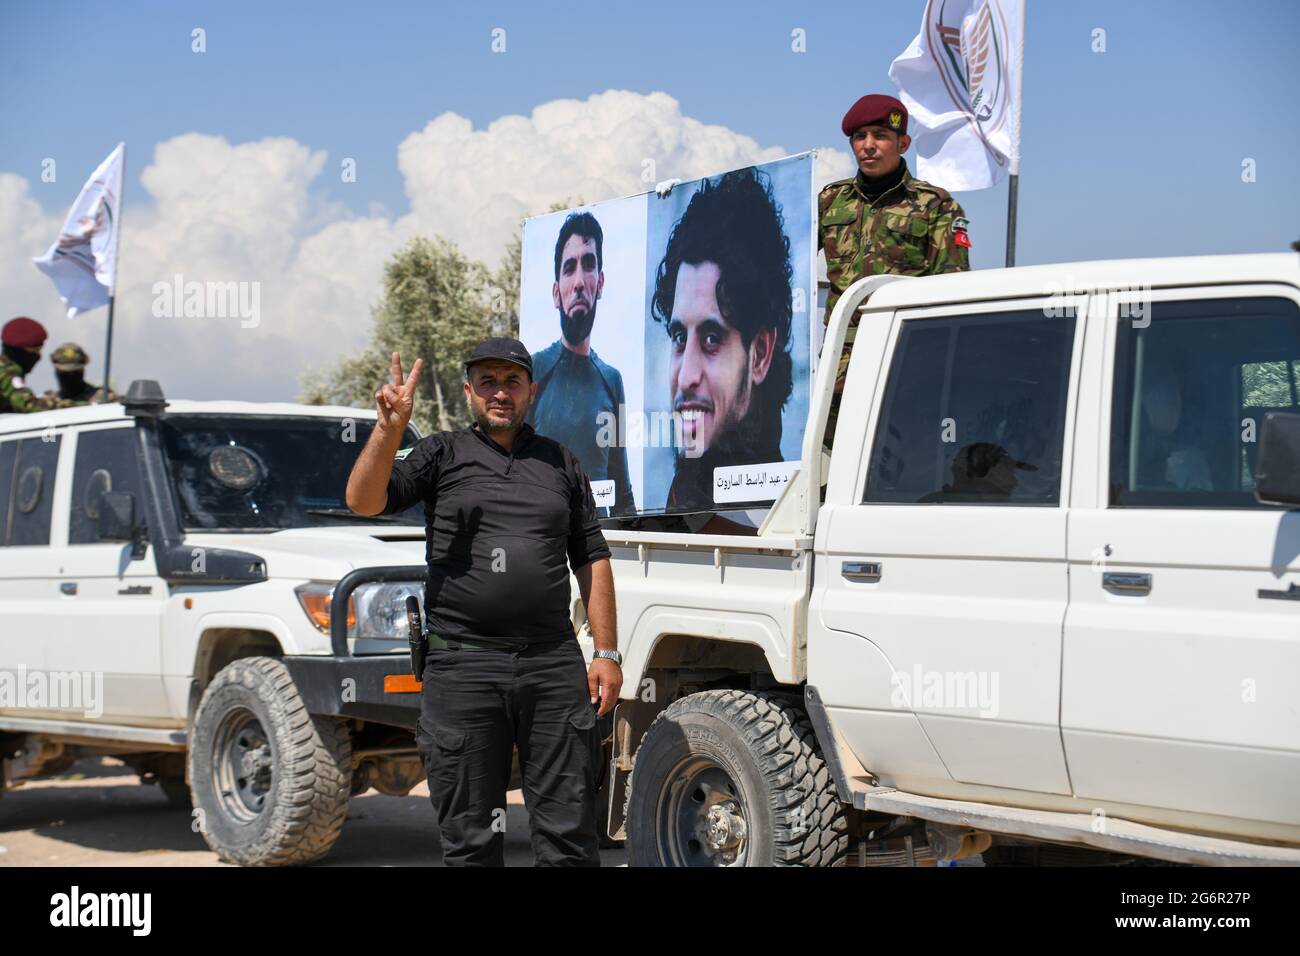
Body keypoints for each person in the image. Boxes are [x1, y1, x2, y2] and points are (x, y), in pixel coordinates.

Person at [344, 336, 622, 867]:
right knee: (471, 841)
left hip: (551, 665)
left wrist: (605, 652)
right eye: (488, 381)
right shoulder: (440, 454)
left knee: (569, 838)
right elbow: (363, 500)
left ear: (531, 391)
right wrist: (389, 428)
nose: (500, 392)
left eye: (512, 381)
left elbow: (592, 556)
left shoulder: (560, 462)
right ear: (469, 390)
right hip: (462, 667)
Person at [819, 94, 971, 442]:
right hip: (837, 365)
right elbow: (787, 259)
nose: (868, 146)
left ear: (902, 143)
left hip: (904, 358)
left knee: (900, 457)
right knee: (830, 462)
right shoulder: (830, 201)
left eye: (880, 136)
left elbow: (955, 289)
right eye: (860, 137)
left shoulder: (935, 205)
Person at [650, 167, 795, 513]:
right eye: (679, 337)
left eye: (712, 338)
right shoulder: (683, 491)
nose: (686, 377)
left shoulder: (769, 518)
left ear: (759, 354)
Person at [528, 212, 635, 515]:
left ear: (600, 283)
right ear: (555, 292)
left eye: (588, 265)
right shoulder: (532, 371)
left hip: (598, 550)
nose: (578, 282)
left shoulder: (611, 380)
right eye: (568, 268)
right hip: (546, 547)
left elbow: (622, 489)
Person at [0, 317, 57, 413]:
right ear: (18, 352)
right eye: (35, 351)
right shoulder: (7, 372)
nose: (38, 357)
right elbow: (28, 405)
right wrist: (75, 405)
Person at [43, 342, 119, 406]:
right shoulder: (49, 401)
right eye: (64, 374)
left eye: (75, 373)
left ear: (82, 370)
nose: (70, 378)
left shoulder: (104, 397)